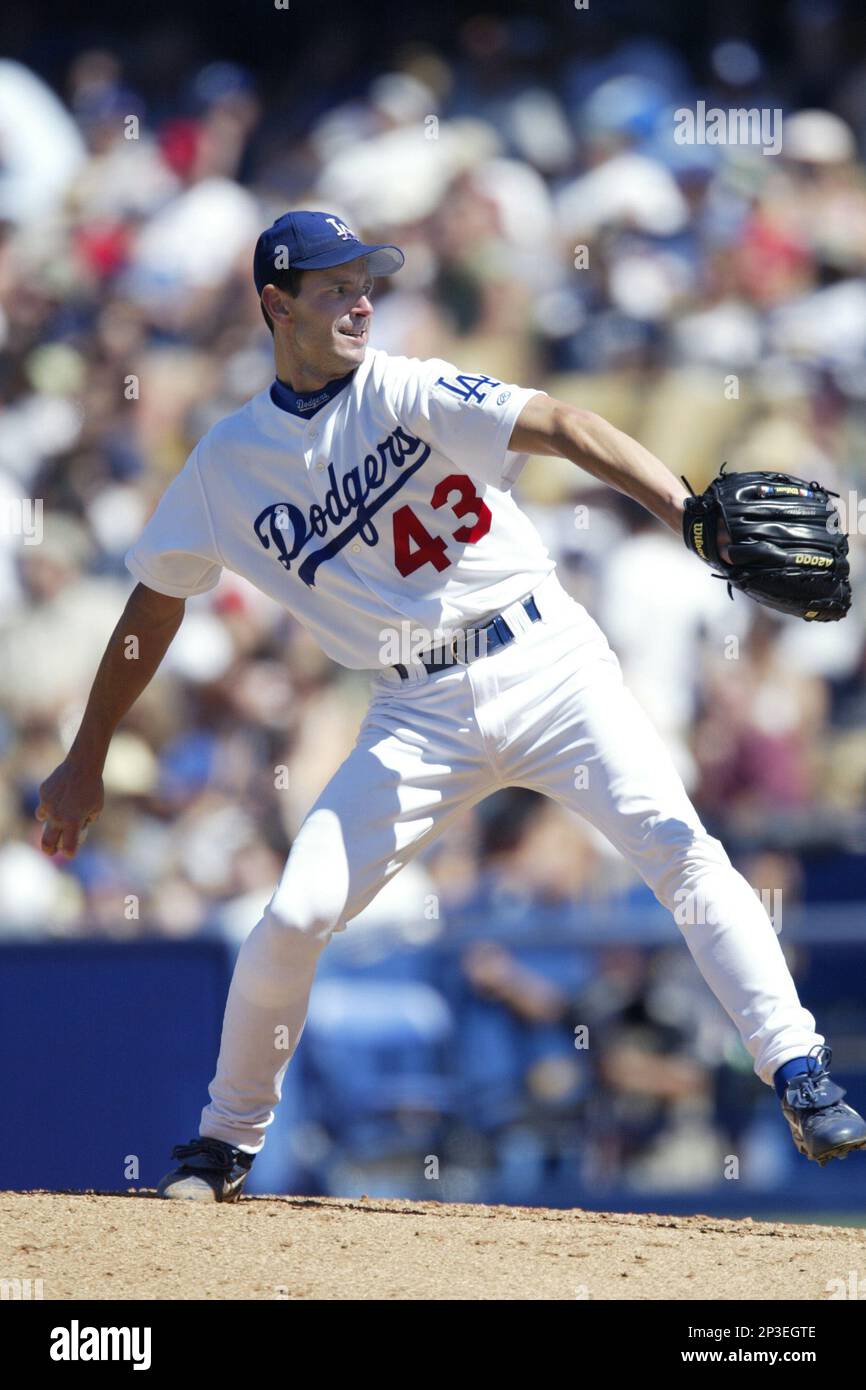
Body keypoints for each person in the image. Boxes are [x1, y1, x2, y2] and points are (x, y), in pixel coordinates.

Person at [36, 210, 866, 1201]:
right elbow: (153, 604)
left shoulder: (403, 383)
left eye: (365, 282)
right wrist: (87, 756)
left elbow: (564, 425)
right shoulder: (226, 464)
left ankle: (799, 1069)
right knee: (293, 915)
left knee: (675, 846)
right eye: (335, 286)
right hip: (413, 711)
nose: (360, 300)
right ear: (276, 305)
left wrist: (684, 513)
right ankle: (222, 1144)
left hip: (547, 661)